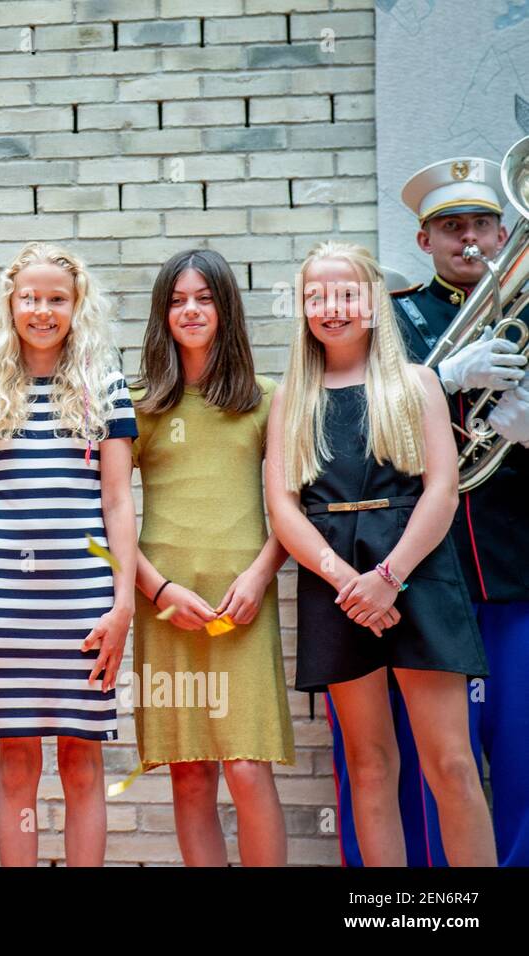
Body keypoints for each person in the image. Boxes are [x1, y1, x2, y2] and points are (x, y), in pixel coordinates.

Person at [266, 240, 496, 866]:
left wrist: (388, 578)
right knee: (369, 764)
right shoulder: (292, 397)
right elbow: (284, 508)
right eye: (316, 295)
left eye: (345, 293)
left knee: (451, 762)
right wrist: (349, 583)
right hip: (335, 581)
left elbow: (443, 492)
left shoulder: (418, 384)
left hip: (413, 572)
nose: (331, 307)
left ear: (372, 302)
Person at [329, 156, 529, 866]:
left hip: (515, 569)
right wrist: (444, 378)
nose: (467, 239)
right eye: (450, 227)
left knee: (520, 754)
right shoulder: (399, 319)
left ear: (505, 232)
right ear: (425, 240)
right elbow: (360, 423)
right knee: (418, 761)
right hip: (420, 578)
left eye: (480, 223)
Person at [0, 242, 137, 866]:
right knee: (15, 765)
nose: (42, 310)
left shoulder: (105, 389)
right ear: (11, 303)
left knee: (82, 761)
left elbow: (117, 504)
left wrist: (123, 604)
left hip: (85, 601)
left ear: (77, 306)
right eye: (30, 297)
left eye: (57, 298)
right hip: (7, 600)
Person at [129, 249, 294, 866]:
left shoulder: (266, 399)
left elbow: (290, 513)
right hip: (166, 607)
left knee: (248, 768)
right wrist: (158, 591)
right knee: (189, 774)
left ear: (226, 308)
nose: (191, 310)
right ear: (162, 314)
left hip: (241, 607)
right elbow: (109, 520)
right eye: (177, 300)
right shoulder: (139, 402)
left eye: (204, 298)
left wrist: (258, 576)